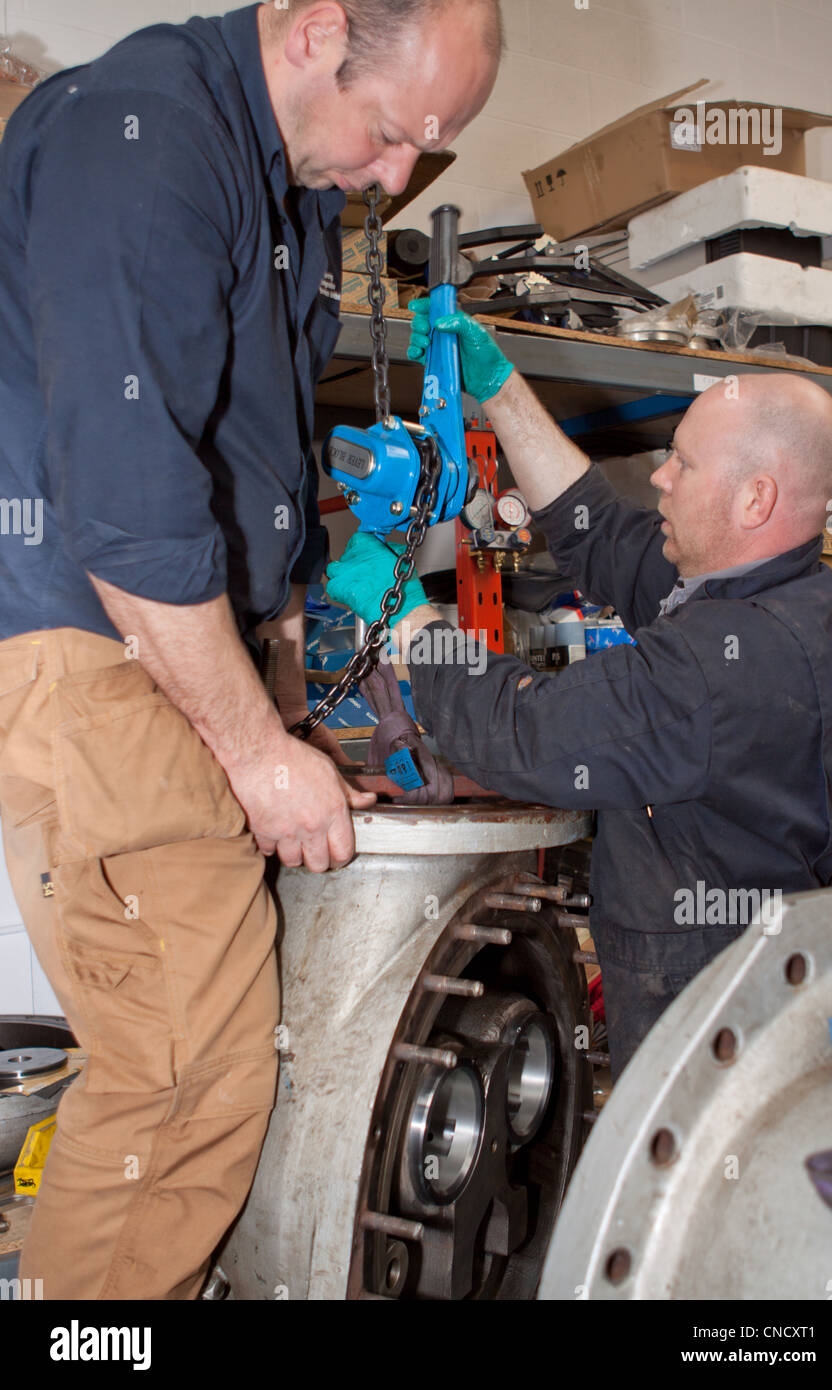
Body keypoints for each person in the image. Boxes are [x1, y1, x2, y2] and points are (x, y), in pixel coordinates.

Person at [0, 1, 500, 1299]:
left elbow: (252, 473)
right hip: (94, 629)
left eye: (426, 147)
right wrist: (252, 751)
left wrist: (284, 725)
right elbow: (130, 503)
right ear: (315, 31)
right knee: (180, 1081)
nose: (398, 173)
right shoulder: (144, 131)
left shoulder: (287, 189)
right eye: (391, 132)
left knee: (188, 1066)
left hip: (148, 637)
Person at [326, 304, 832, 1080]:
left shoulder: (732, 662)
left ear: (755, 500)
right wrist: (498, 388)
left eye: (683, 464)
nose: (660, 477)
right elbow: (598, 528)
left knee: (677, 1149)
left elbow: (529, 735)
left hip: (711, 992)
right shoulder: (770, 585)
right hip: (740, 951)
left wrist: (404, 615)